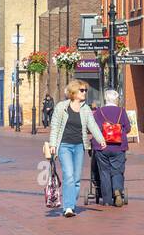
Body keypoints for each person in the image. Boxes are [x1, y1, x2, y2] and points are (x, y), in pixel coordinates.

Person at [43, 81, 106, 217]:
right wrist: (53, 144)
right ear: (74, 92)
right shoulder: (61, 107)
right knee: (69, 175)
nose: (84, 93)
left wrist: (101, 140)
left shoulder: (86, 109)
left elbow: (93, 125)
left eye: (85, 90)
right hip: (64, 145)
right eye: (82, 90)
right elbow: (55, 127)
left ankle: (71, 204)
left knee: (76, 178)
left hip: (79, 146)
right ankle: (68, 207)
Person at [92, 90, 131, 207]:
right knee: (117, 170)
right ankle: (118, 190)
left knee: (104, 172)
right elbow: (128, 128)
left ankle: (107, 200)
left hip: (102, 146)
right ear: (116, 100)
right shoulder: (121, 112)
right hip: (119, 146)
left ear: (105, 99)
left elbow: (93, 128)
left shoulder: (99, 112)